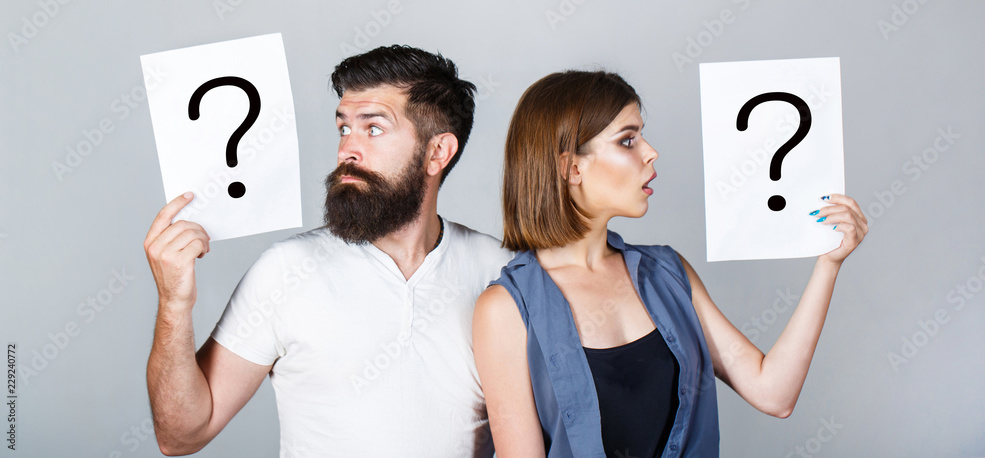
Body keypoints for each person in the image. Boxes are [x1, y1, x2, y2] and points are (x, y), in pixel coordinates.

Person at [473, 71, 868, 458]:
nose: (650, 151)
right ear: (571, 168)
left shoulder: (668, 272)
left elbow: (774, 393)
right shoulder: (506, 309)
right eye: (628, 140)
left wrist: (828, 264)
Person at [144, 45, 512, 457]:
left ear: (437, 152)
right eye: (343, 129)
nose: (346, 151)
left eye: (372, 129)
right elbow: (181, 436)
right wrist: (173, 304)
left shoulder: (503, 273)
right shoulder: (286, 270)